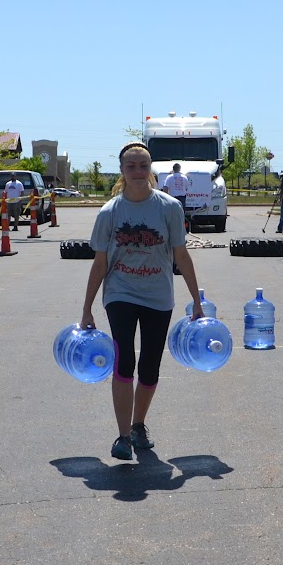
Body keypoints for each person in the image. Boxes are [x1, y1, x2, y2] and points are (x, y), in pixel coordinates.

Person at [81, 142, 202, 462]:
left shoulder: (169, 208)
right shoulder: (110, 212)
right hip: (120, 293)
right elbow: (99, 263)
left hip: (158, 296)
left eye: (143, 165)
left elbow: (181, 255)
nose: (137, 171)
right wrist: (87, 307)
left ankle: (138, 425)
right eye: (131, 166)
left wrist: (196, 300)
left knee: (149, 366)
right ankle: (122, 436)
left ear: (151, 170)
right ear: (122, 171)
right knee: (124, 361)